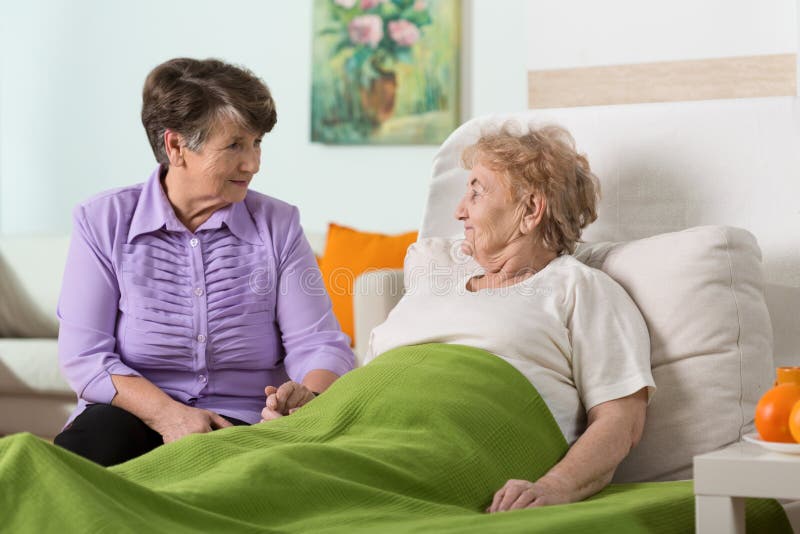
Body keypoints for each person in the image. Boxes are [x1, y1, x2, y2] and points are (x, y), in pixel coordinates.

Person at [54, 57, 354, 466]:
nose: (253, 163)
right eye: (234, 145)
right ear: (176, 146)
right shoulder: (102, 221)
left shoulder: (279, 225)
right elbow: (85, 356)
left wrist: (306, 398)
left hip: (246, 422)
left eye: (256, 143)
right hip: (132, 417)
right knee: (82, 458)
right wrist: (171, 416)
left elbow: (317, 343)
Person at [364, 123, 655, 512]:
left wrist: (556, 486)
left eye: (476, 191)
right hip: (362, 433)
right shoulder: (433, 282)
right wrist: (314, 405)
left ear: (531, 209)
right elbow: (367, 382)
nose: (459, 210)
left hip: (440, 453)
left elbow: (621, 421)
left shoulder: (580, 288)